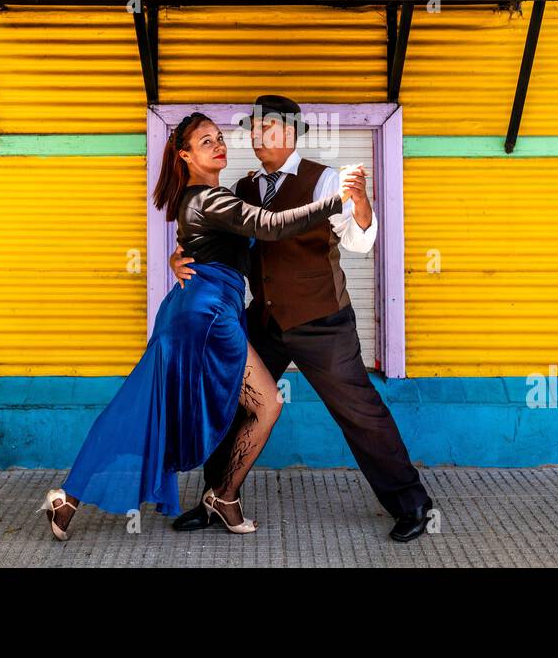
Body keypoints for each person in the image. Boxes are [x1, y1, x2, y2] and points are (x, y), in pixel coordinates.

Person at [39, 111, 367, 538]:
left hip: (197, 311)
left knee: (144, 408)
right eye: (205, 142)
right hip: (207, 315)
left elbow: (207, 246)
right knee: (264, 405)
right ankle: (223, 494)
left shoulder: (208, 198)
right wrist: (336, 198)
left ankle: (69, 498)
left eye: (218, 138)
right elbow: (269, 226)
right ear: (185, 156)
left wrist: (179, 257)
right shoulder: (209, 200)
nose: (218, 145)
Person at [169, 94, 434, 542]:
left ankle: (413, 506)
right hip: (265, 321)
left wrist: (360, 201)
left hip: (321, 322)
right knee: (232, 406)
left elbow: (359, 239)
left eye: (266, 127)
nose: (256, 135)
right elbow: (214, 242)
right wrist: (179, 259)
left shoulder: (325, 179)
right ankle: (216, 496)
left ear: (290, 133)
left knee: (360, 413)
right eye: (252, 128)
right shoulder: (242, 186)